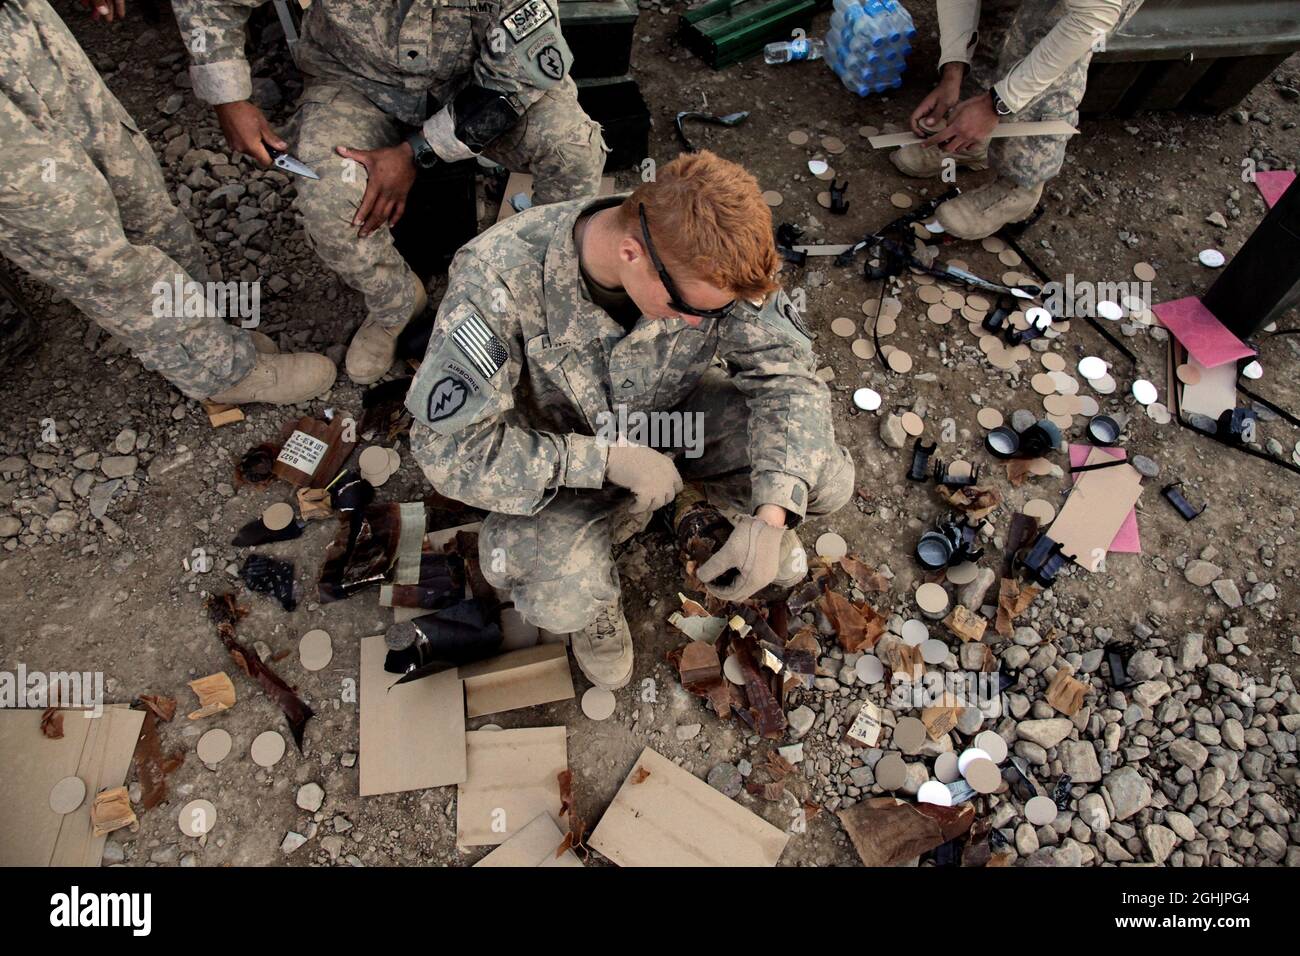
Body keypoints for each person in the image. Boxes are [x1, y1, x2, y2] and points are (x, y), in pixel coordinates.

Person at [403, 151, 856, 690]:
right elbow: (447, 450)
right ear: (631, 253)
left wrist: (772, 515)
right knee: (554, 595)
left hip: (671, 420)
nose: (698, 323)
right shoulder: (497, 277)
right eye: (695, 309)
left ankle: (716, 516)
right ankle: (601, 588)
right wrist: (603, 460)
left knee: (824, 475)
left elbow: (788, 377)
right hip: (564, 456)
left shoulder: (711, 256)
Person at [172, 0, 608, 385]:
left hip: (477, 81)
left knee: (572, 150)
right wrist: (229, 97)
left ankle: (539, 291)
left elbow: (516, 78)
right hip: (357, 81)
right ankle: (398, 304)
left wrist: (415, 151)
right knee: (329, 200)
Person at [0, 0, 335, 404]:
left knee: (131, 182)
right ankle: (221, 372)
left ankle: (211, 323)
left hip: (18, 22)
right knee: (88, 246)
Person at [892, 0, 1144, 239]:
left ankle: (1021, 184)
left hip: (1090, 11)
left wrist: (998, 103)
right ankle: (972, 140)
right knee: (995, 15)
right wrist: (953, 69)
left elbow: (1091, 19)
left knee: (1043, 34)